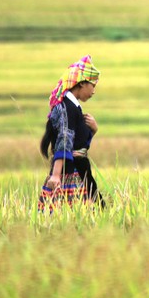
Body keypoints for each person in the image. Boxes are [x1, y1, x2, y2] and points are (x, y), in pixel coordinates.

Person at [39, 55, 103, 211]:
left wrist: (93, 130)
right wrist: (55, 175)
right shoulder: (66, 108)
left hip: (80, 169)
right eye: (93, 85)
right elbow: (64, 140)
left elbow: (76, 142)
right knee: (73, 213)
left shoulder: (73, 107)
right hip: (69, 172)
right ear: (81, 84)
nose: (94, 91)